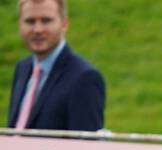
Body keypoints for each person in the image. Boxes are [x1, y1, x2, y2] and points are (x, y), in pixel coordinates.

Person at [7, 0, 104, 132]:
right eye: (30, 21)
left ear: (64, 24)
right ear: (20, 24)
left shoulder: (84, 78)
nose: (37, 30)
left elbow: (85, 149)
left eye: (46, 21)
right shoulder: (22, 68)